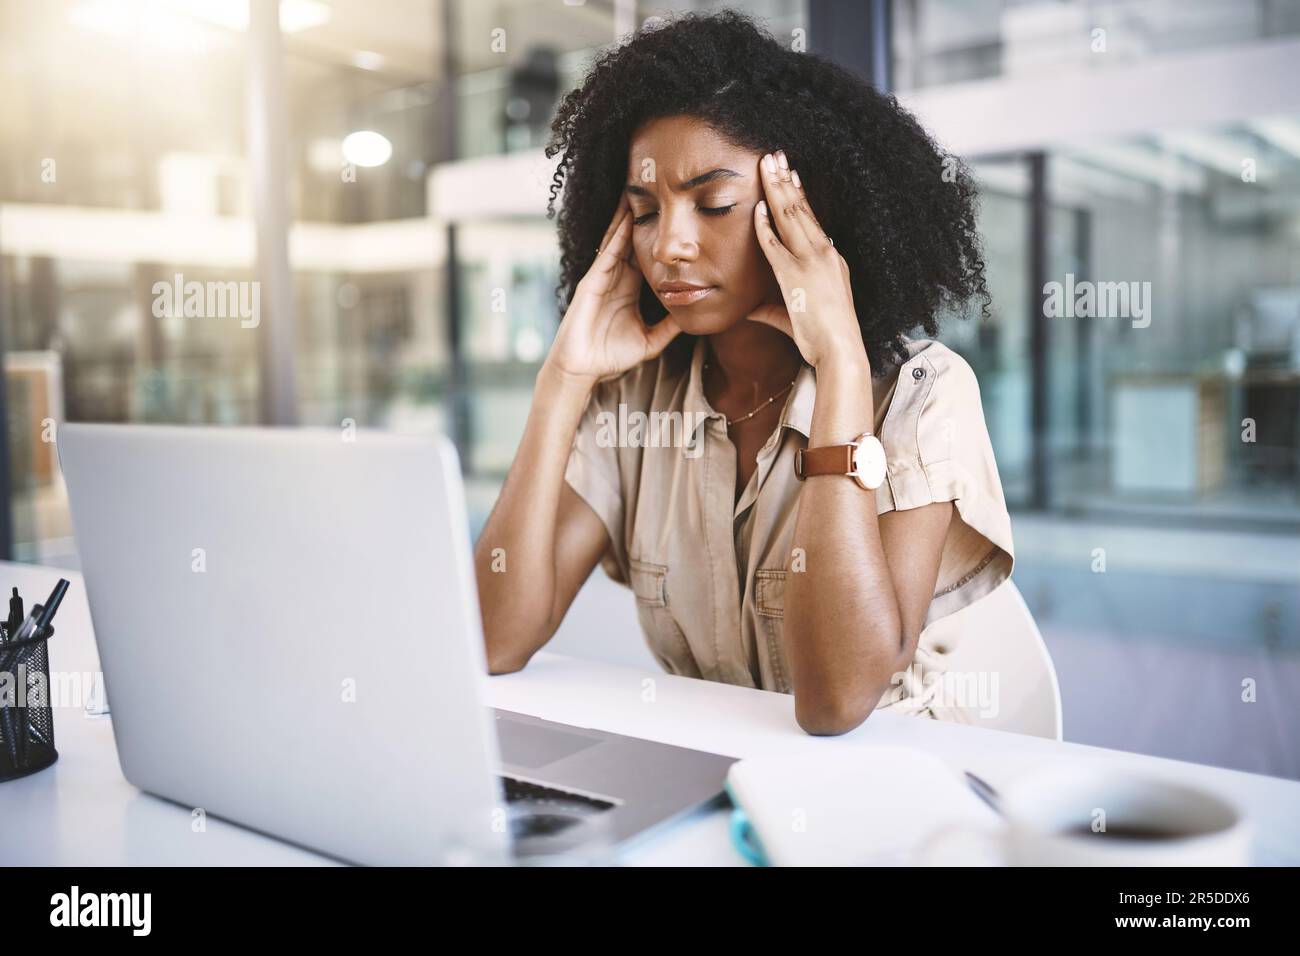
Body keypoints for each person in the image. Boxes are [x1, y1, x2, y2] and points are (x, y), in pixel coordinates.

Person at [474, 10, 1013, 735]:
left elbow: (835, 703)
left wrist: (843, 370)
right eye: (642, 212)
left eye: (714, 203)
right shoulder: (638, 398)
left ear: (804, 215)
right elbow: (493, 639)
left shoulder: (923, 394)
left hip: (888, 797)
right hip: (706, 788)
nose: (670, 245)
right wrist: (563, 381)